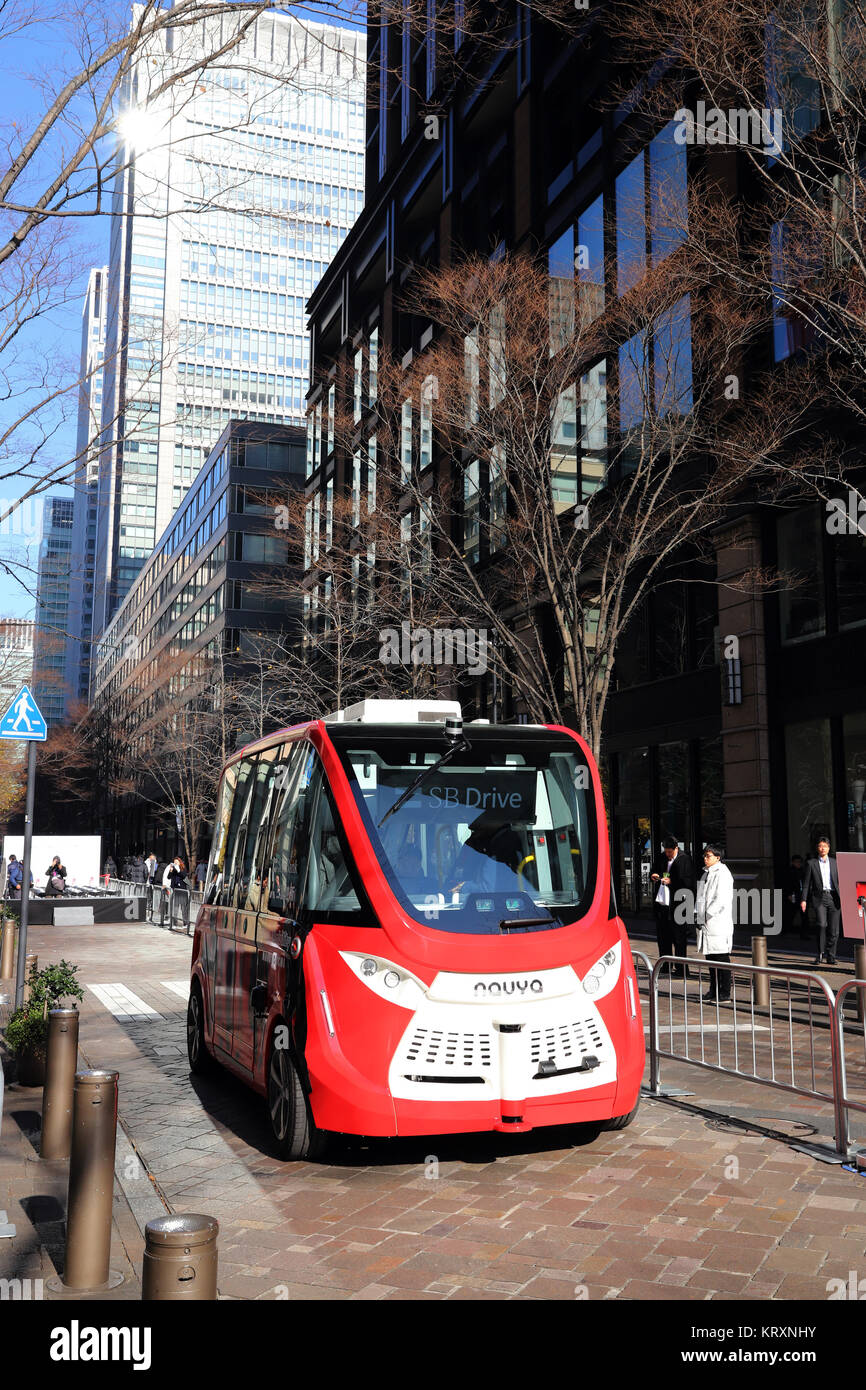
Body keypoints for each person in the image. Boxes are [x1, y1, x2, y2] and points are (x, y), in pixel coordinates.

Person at [651, 837, 697, 978]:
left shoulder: (685, 860)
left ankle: (681, 967)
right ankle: (665, 965)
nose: (668, 854)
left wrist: (672, 881)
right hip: (663, 902)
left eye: (670, 852)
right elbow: (654, 870)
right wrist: (654, 875)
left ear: (676, 848)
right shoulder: (661, 857)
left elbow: (688, 882)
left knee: (679, 938)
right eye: (666, 852)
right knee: (663, 936)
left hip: (678, 904)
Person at [696, 843, 735, 1002]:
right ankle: (713, 989)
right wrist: (697, 915)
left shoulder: (723, 874)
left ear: (718, 858)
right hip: (706, 923)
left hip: (717, 922)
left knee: (721, 958)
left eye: (709, 856)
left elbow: (721, 900)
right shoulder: (706, 873)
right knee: (711, 958)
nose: (705, 858)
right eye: (705, 855)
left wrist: (706, 915)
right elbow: (700, 896)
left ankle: (724, 991)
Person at [801, 837, 842, 966]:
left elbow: (841, 881)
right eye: (820, 846)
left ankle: (831, 955)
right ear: (817, 848)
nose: (822, 848)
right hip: (819, 898)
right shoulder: (811, 863)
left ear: (829, 848)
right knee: (821, 925)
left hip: (834, 897)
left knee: (834, 930)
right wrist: (803, 899)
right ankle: (820, 954)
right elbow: (806, 883)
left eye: (825, 846)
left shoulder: (835, 863)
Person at [783, 854, 809, 939]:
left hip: (801, 895)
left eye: (799, 862)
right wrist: (788, 894)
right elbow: (786, 884)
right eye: (796, 862)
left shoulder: (803, 871)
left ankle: (804, 934)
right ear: (793, 862)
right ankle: (785, 931)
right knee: (791, 914)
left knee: (804, 915)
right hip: (794, 895)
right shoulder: (790, 872)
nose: (798, 864)